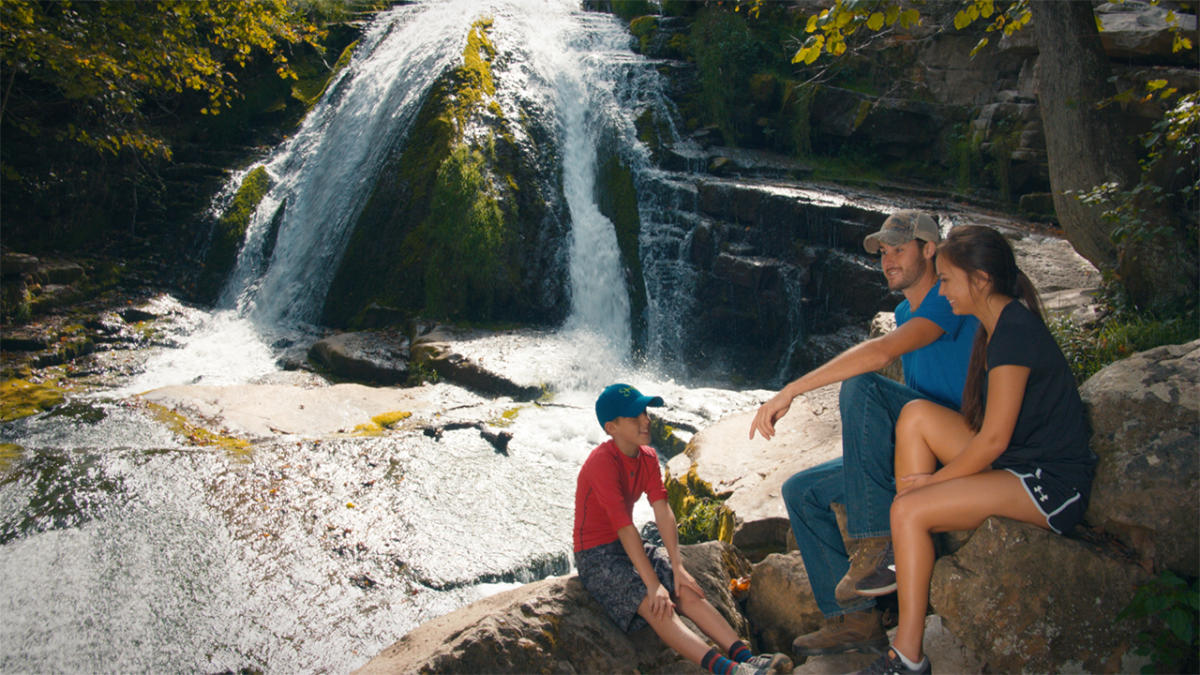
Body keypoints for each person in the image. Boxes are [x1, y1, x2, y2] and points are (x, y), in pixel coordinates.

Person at [858, 225, 1096, 675]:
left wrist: (930, 485)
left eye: (946, 280)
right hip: (1019, 460)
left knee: (908, 509)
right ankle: (907, 533)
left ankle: (907, 657)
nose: (941, 289)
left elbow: (993, 441)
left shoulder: (1013, 332)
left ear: (981, 280)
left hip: (1048, 483)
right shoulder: (997, 324)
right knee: (916, 416)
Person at [748, 211, 978, 659]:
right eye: (883, 251)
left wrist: (792, 389)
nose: (887, 259)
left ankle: (875, 548)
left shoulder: (949, 300)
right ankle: (853, 621)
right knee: (801, 491)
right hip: (920, 448)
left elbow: (882, 352)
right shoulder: (907, 309)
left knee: (863, 384)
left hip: (957, 444)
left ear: (929, 250)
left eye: (899, 248)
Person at [574, 383, 792, 675]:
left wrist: (677, 566)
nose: (645, 420)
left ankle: (745, 657)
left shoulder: (648, 457)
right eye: (634, 416)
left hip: (629, 544)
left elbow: (662, 510)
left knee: (686, 589)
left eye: (645, 412)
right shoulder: (602, 463)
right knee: (657, 605)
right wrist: (652, 585)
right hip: (596, 554)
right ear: (611, 427)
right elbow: (623, 526)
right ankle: (732, 671)